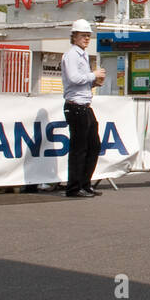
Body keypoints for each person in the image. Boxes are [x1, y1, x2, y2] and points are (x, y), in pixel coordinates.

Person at [61, 19, 106, 198]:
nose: (86, 39)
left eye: (88, 36)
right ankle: (74, 187)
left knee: (93, 146)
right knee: (79, 148)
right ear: (74, 36)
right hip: (75, 106)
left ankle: (84, 183)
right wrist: (92, 75)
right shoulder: (72, 55)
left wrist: (93, 82)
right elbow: (73, 78)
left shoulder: (83, 55)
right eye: (83, 35)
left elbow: (80, 81)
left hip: (84, 105)